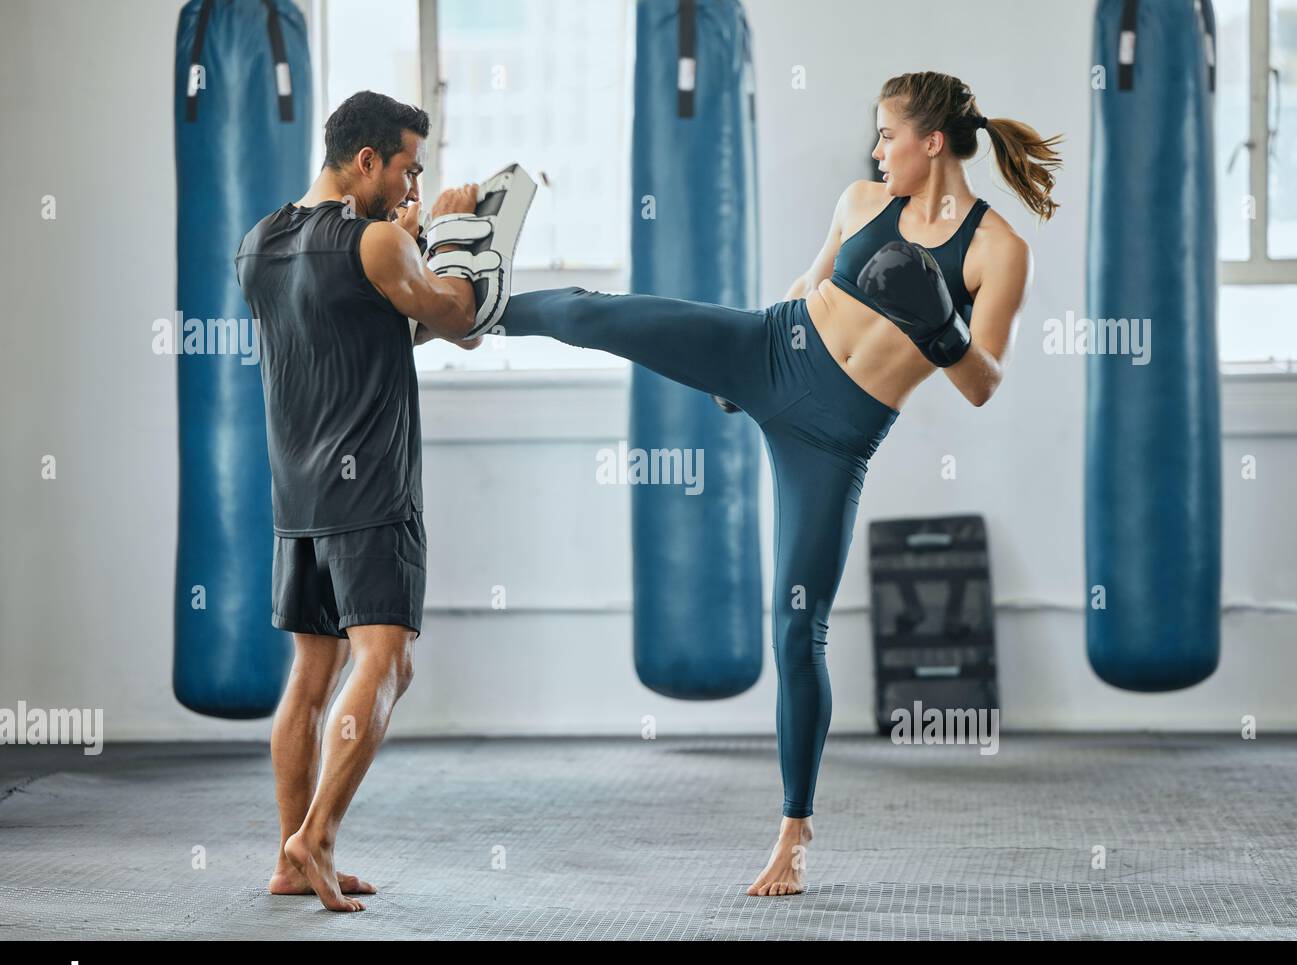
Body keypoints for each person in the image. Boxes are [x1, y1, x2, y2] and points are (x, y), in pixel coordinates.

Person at [493, 72, 1060, 896]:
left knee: (798, 628)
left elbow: (983, 382)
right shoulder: (860, 200)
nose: (874, 149)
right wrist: (734, 369)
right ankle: (455, 306)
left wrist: (941, 328)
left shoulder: (998, 250)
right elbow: (807, 286)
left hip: (833, 438)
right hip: (771, 349)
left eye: (886, 134)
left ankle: (794, 834)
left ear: (930, 142)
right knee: (599, 316)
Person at [235, 90, 498, 912]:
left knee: (311, 675)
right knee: (387, 661)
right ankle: (314, 836)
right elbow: (461, 319)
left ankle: (288, 858)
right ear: (366, 163)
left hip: (299, 493)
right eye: (408, 169)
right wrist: (457, 230)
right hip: (373, 486)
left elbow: (352, 316)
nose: (414, 185)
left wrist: (409, 242)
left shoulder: (260, 242)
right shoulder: (381, 241)